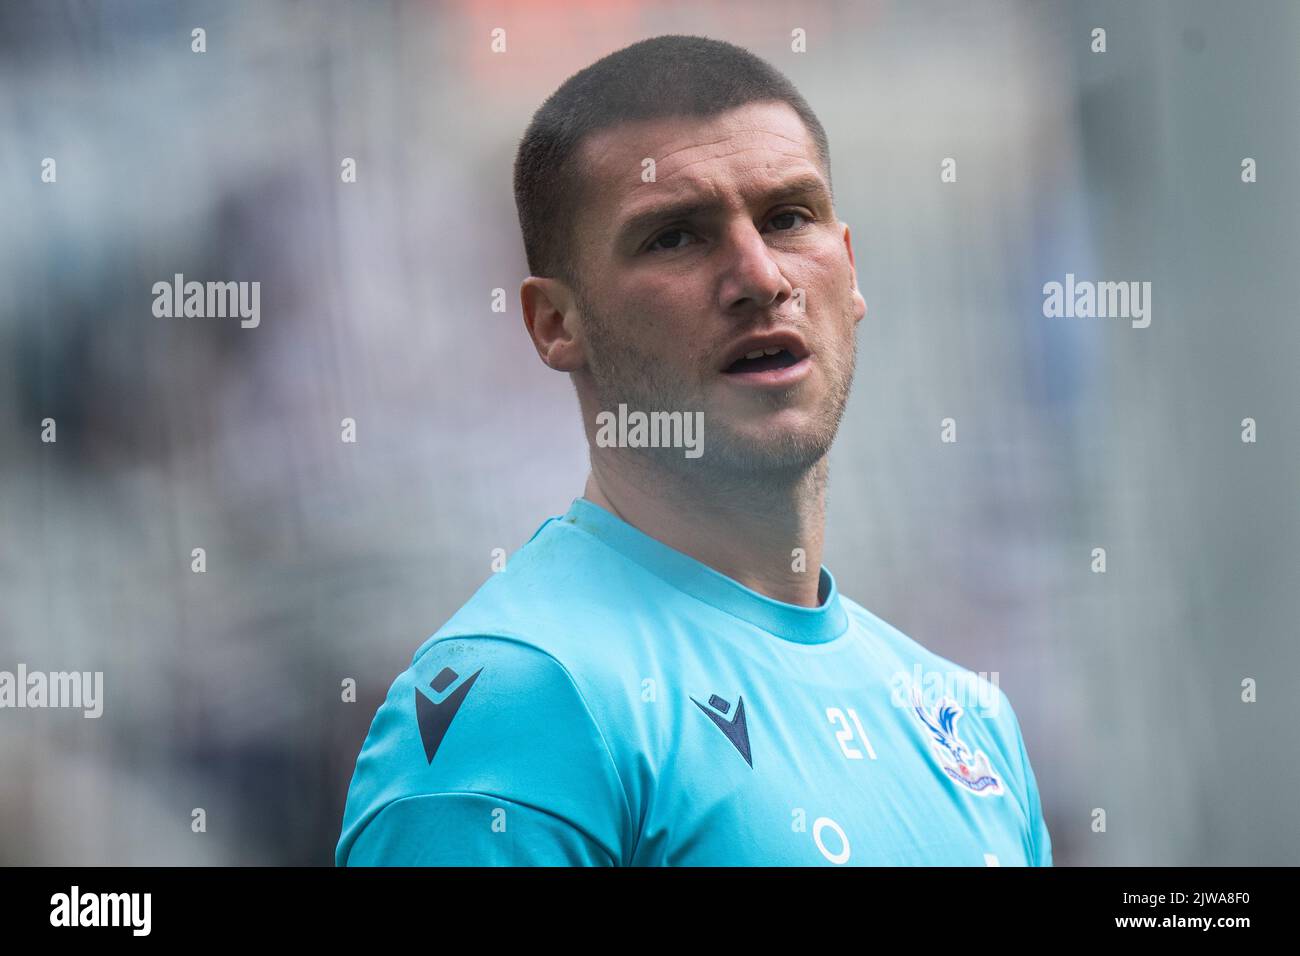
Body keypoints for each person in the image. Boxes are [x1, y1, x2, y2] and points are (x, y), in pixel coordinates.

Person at [336, 34, 1052, 866]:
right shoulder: (520, 700)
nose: (759, 276)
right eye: (675, 236)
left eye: (788, 217)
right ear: (555, 323)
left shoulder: (968, 723)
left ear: (848, 269)